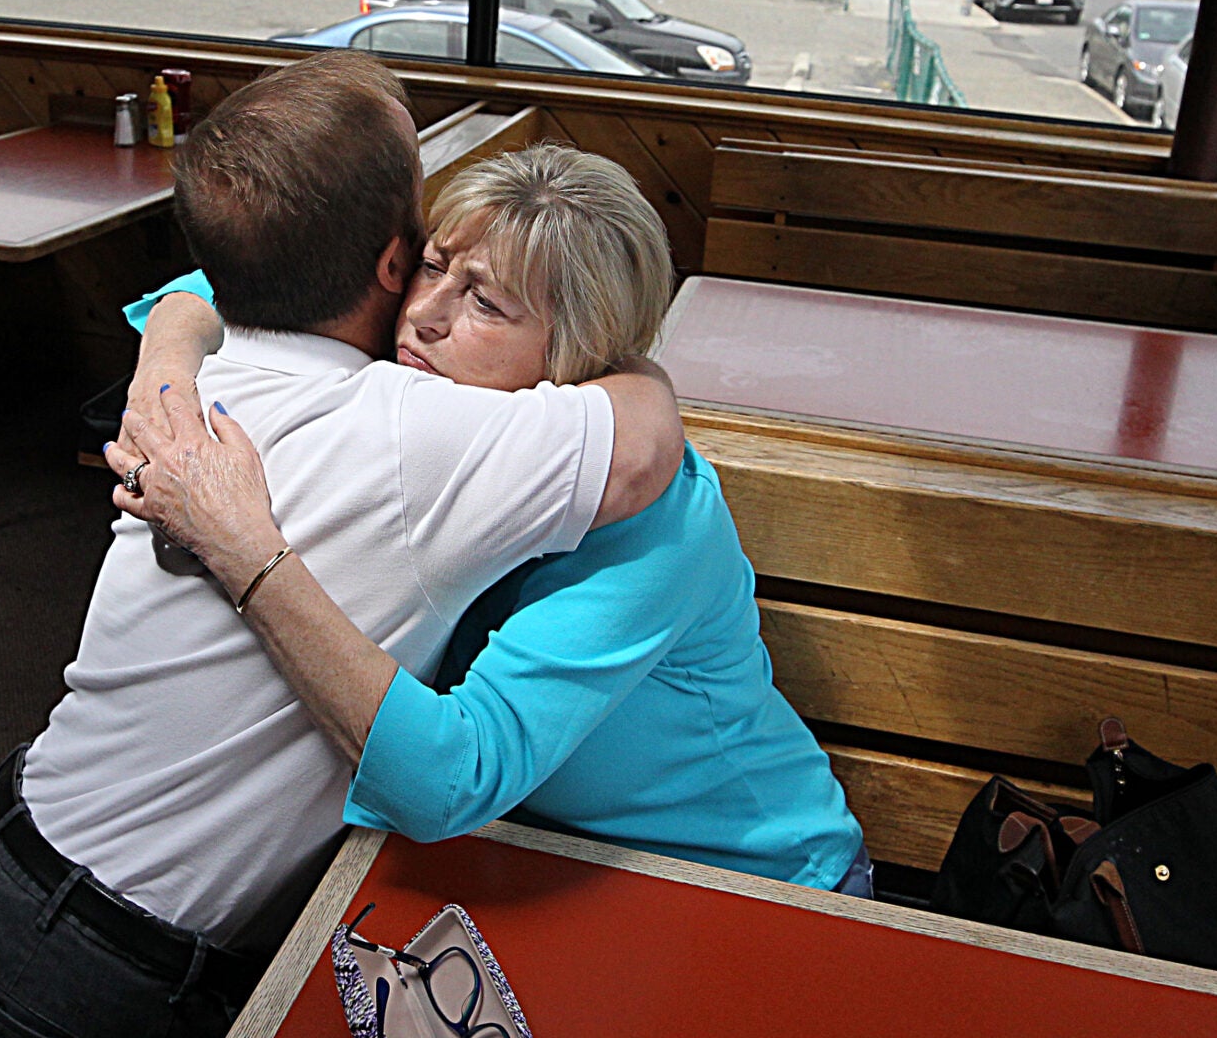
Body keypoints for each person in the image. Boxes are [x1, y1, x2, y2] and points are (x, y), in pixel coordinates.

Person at [0, 54, 687, 1038]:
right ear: (392, 265)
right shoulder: (419, 434)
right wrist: (629, 340)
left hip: (19, 861)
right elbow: (645, 450)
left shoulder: (213, 377)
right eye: (431, 258)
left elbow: (186, 291)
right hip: (99, 960)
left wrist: (167, 346)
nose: (440, 306)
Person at [112, 142, 868, 897]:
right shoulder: (438, 371)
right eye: (433, 266)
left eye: (487, 302)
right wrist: (164, 363)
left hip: (744, 877)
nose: (425, 315)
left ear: (576, 352)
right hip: (539, 857)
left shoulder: (658, 526)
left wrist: (244, 547)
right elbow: (221, 282)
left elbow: (452, 778)